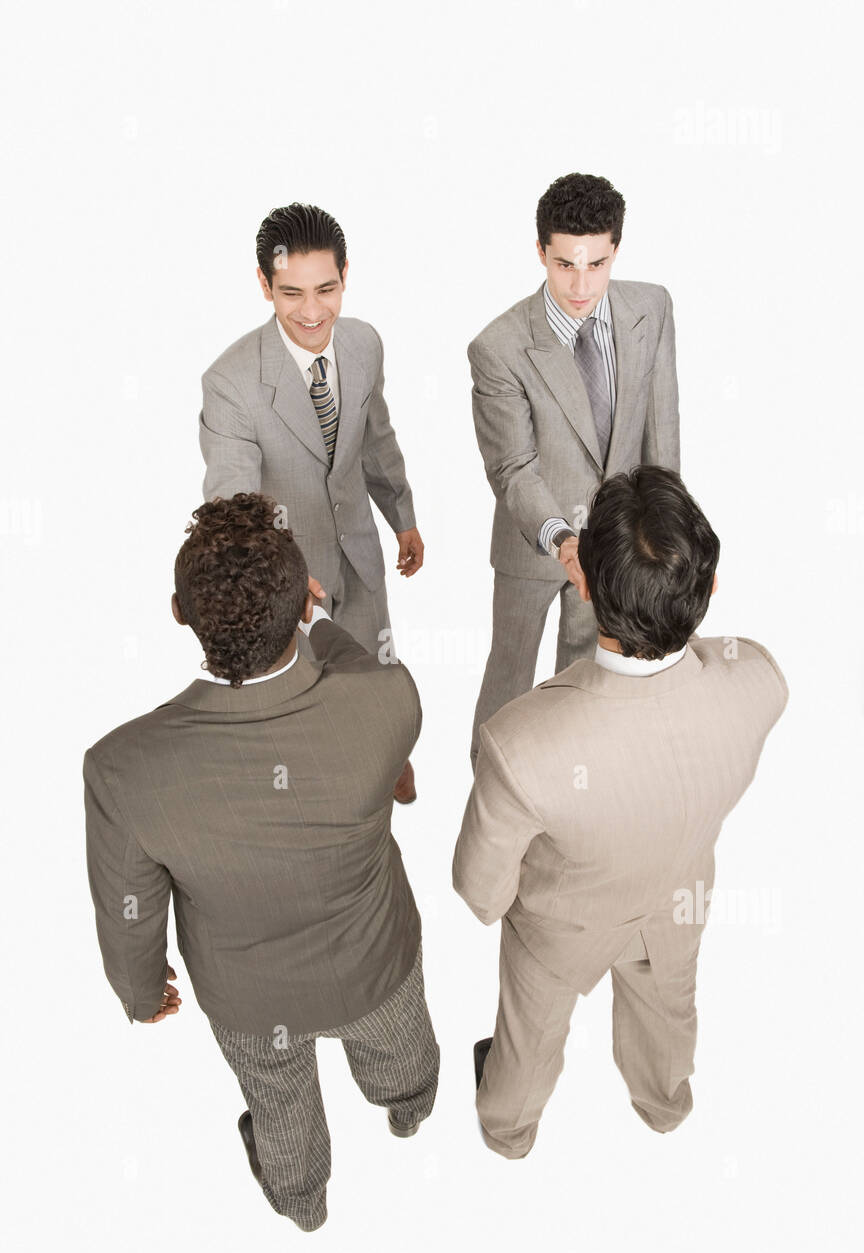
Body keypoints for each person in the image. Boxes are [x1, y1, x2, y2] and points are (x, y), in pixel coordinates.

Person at [83, 493, 439, 1232]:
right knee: (403, 1056)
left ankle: (303, 1203)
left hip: (250, 1002)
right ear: (306, 596)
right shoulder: (388, 701)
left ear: (179, 613)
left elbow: (129, 914)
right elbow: (356, 665)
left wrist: (141, 994)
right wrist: (322, 621)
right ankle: (408, 1113)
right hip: (376, 965)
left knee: (279, 1106)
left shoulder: (123, 770)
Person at [453, 466, 787, 1158]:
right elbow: (729, 656)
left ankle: (508, 1132)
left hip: (557, 934)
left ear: (581, 587)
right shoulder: (758, 683)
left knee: (529, 1039)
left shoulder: (519, 744)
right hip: (676, 903)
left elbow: (480, 894)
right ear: (710, 589)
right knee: (669, 1010)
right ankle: (664, 1104)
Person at [199, 202, 422, 802]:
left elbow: (376, 438)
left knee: (376, 668)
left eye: (326, 288)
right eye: (291, 293)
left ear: (346, 275)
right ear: (264, 285)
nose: (312, 311)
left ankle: (390, 751)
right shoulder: (231, 382)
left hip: (360, 551)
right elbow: (232, 503)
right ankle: (335, 793)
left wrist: (402, 517)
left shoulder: (365, 344)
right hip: (292, 576)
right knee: (310, 704)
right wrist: (278, 575)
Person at [468, 172, 681, 765]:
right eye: (564, 265)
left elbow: (661, 439)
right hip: (534, 543)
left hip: (617, 543)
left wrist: (671, 539)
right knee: (509, 675)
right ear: (540, 252)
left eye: (597, 263)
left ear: (616, 248)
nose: (581, 284)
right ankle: (490, 782)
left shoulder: (652, 308)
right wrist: (562, 539)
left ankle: (570, 784)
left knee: (588, 677)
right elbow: (512, 467)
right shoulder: (499, 346)